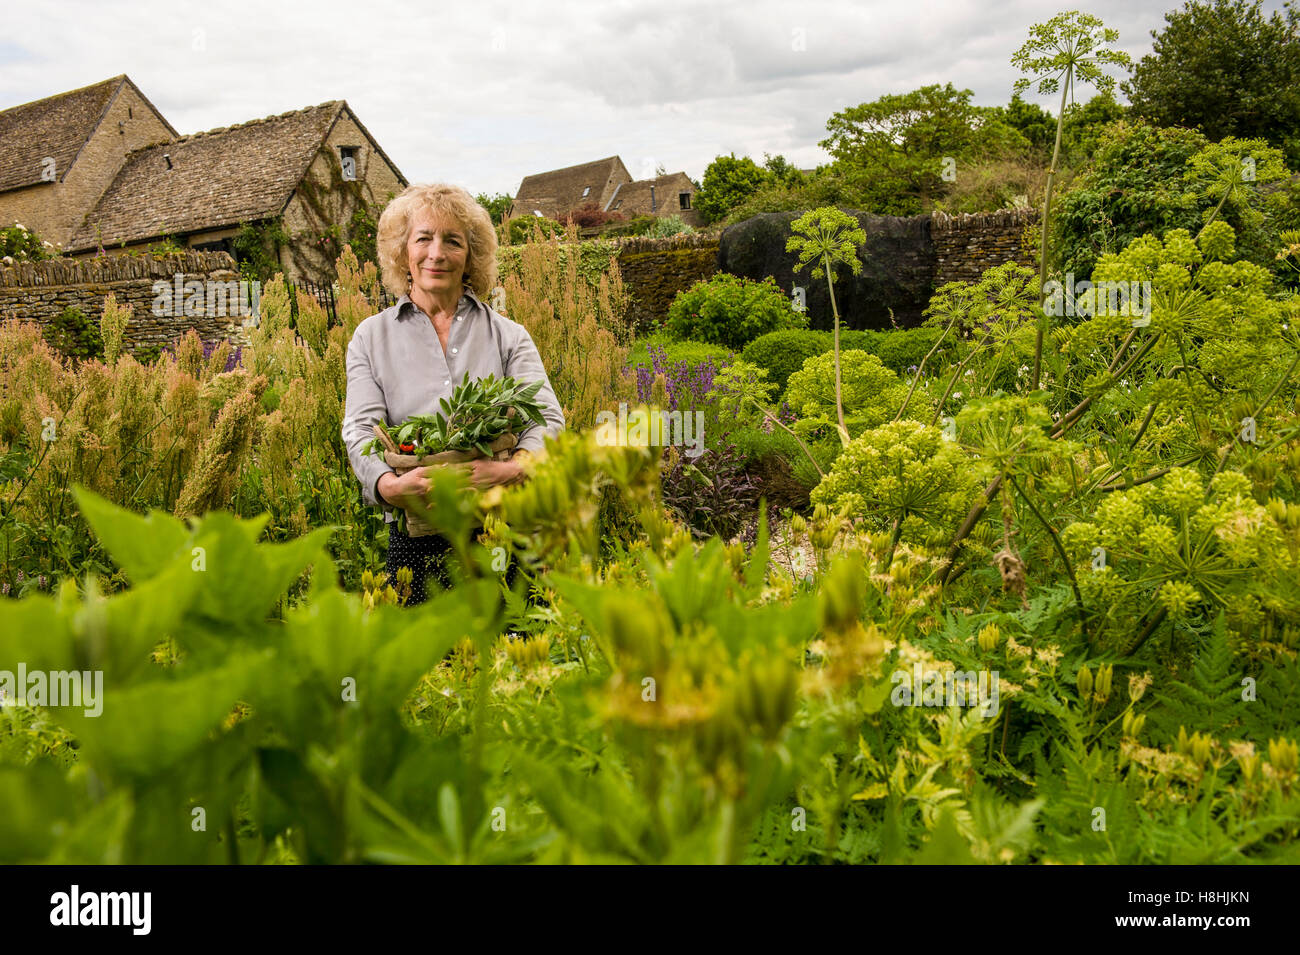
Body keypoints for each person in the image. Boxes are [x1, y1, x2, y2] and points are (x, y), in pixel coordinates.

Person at [342, 183, 564, 605]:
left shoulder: (508, 336)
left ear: (471, 256)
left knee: (512, 654)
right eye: (423, 238)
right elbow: (359, 429)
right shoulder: (371, 338)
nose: (436, 253)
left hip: (503, 528)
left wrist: (513, 468)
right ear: (402, 252)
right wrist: (386, 484)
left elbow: (546, 421)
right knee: (426, 661)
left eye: (452, 241)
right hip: (416, 532)